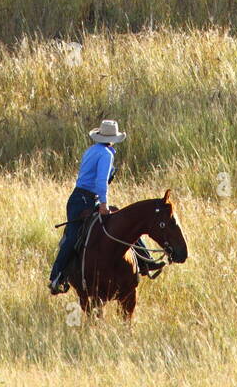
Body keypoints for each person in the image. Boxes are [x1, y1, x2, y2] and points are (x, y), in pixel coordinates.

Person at [48, 119, 159, 294]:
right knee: (76, 234)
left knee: (76, 236)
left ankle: (58, 276)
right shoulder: (107, 154)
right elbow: (101, 181)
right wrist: (104, 204)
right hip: (87, 199)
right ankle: (57, 276)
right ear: (113, 139)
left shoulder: (91, 150)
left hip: (81, 198)